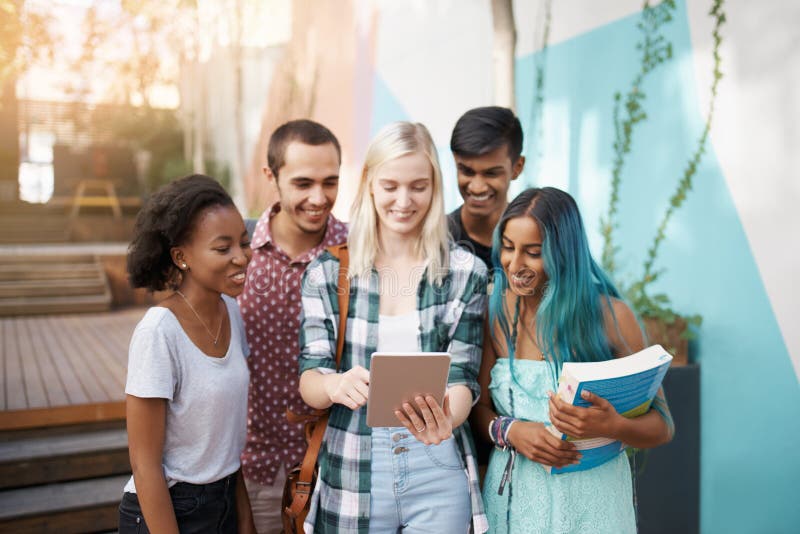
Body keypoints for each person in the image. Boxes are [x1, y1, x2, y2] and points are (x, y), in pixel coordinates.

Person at [297, 122, 489, 533]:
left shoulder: (465, 272)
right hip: (353, 463)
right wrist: (334, 385)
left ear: (435, 188)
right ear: (369, 184)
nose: (404, 201)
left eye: (418, 187)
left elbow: (463, 377)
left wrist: (447, 416)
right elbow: (310, 378)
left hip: (437, 461)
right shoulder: (327, 273)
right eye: (390, 186)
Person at [472, 187, 675, 533]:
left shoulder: (611, 316)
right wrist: (511, 431)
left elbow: (662, 425)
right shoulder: (495, 311)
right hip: (513, 506)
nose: (514, 265)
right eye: (507, 247)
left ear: (563, 254)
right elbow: (477, 408)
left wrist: (612, 425)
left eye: (533, 253)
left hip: (595, 506)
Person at [120, 174, 255, 534]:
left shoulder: (232, 312)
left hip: (224, 500)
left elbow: (224, 447)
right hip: (168, 509)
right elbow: (145, 465)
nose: (241, 257)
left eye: (244, 243)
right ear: (181, 257)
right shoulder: (158, 332)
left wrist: (244, 519)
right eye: (223, 248)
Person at [237, 119, 348, 533]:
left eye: (330, 182)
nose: (319, 198)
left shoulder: (358, 251)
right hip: (256, 470)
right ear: (271, 177)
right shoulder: (238, 253)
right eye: (303, 183)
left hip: (339, 468)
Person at [448, 106, 526, 269]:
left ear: (517, 167)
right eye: (467, 171)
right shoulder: (435, 239)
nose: (477, 188)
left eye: (491, 173)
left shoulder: (538, 241)